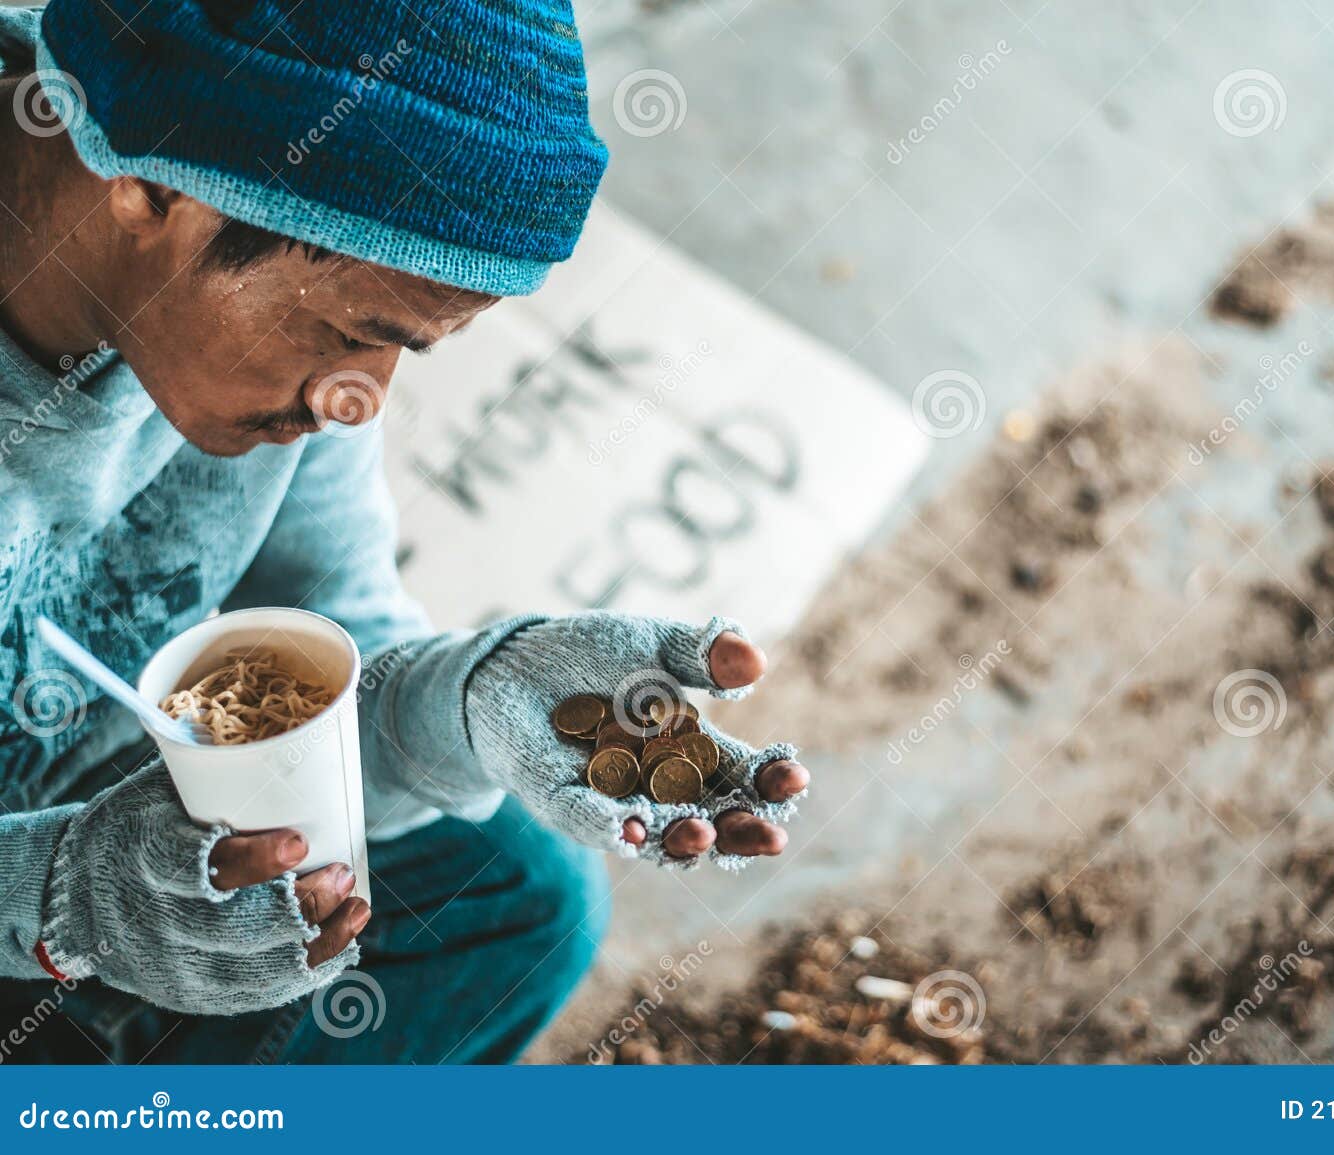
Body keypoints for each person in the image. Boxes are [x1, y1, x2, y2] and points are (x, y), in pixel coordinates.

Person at [0, 0, 809, 1064]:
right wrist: (60, 896)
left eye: (407, 353)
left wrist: (471, 702)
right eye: (352, 335)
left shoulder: (260, 289)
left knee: (513, 903)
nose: (357, 404)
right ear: (155, 187)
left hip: (133, 818)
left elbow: (335, 642)